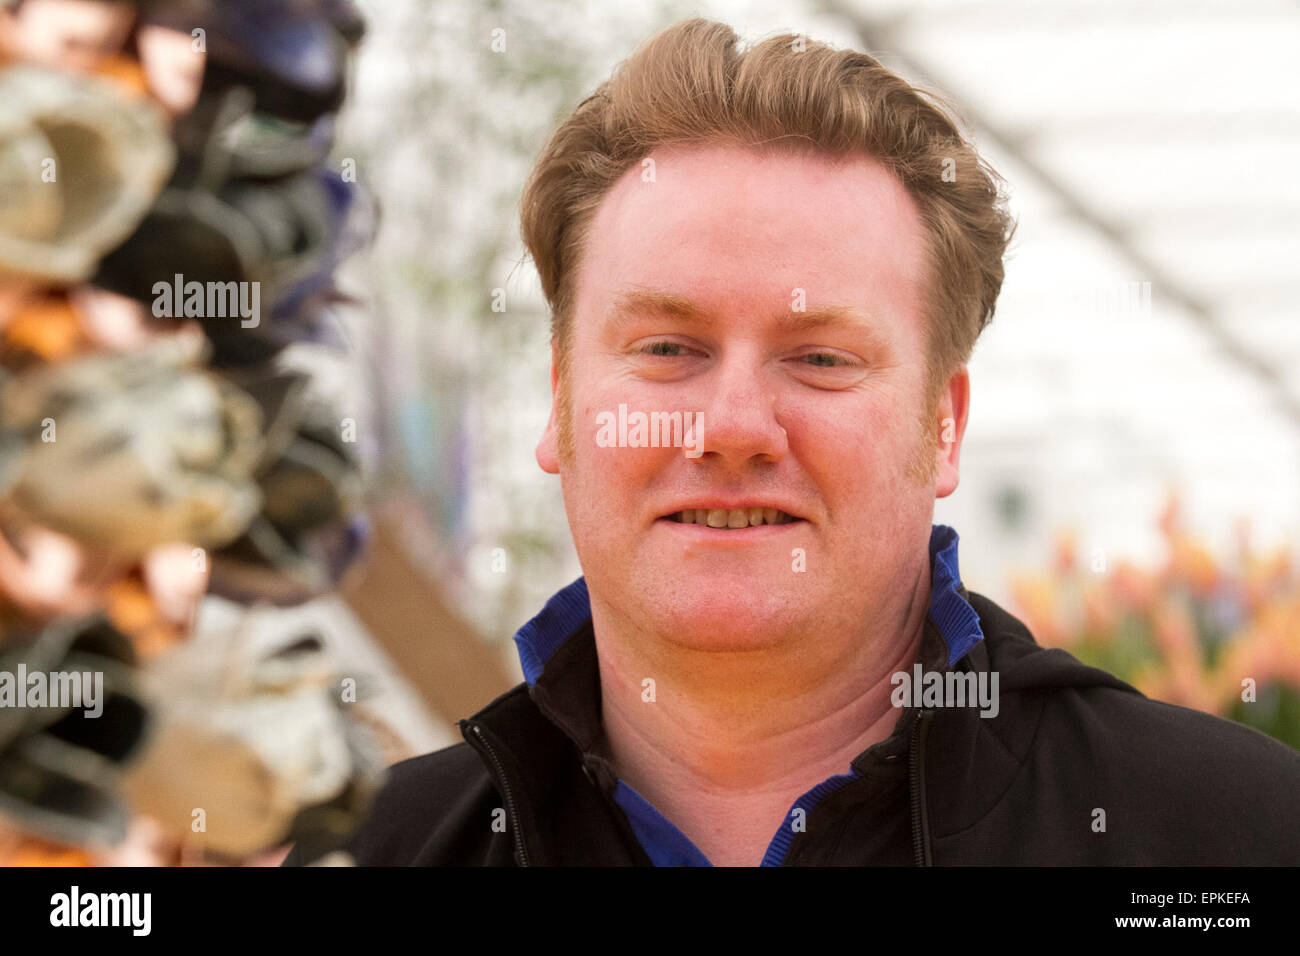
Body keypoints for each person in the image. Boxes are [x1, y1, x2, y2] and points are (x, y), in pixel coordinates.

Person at [285, 17, 1300, 866]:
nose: (732, 427)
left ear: (943, 424)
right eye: (668, 346)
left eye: (819, 358)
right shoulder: (368, 854)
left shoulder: (1232, 841)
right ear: (560, 404)